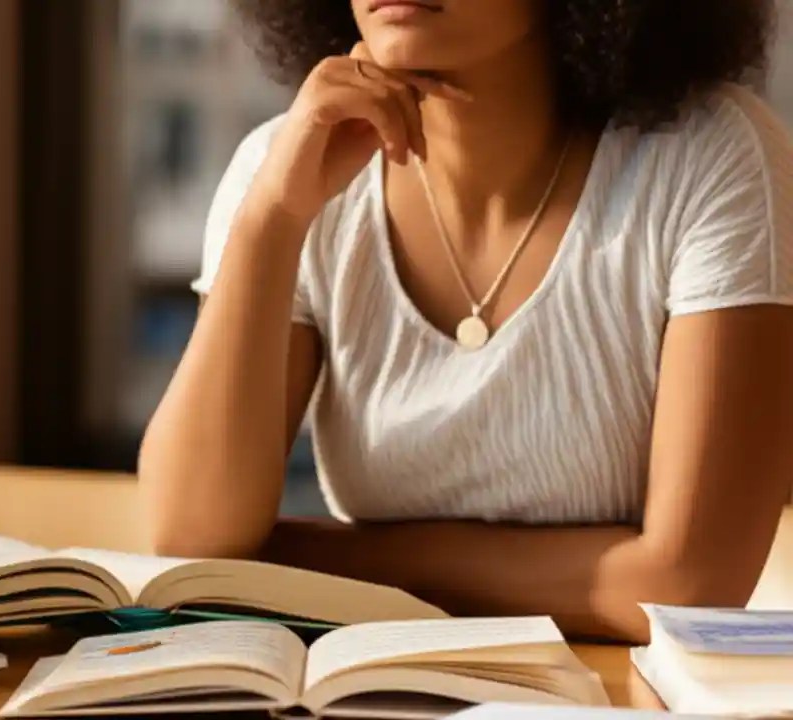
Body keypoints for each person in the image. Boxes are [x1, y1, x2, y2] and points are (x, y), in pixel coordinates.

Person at [139, 0, 793, 642]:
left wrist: (320, 562)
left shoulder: (708, 159)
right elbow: (191, 537)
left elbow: (687, 583)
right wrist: (271, 221)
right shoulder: (286, 168)